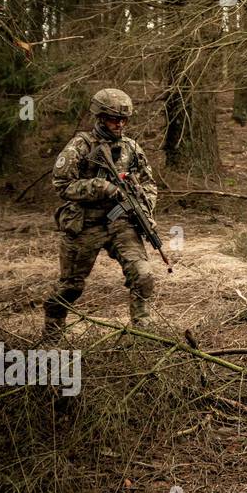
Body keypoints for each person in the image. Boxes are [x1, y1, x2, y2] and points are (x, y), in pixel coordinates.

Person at [42, 88, 158, 343]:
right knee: (71, 286)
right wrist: (99, 187)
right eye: (114, 119)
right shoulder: (81, 146)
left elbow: (149, 184)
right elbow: (62, 185)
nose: (119, 124)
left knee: (144, 275)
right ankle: (52, 331)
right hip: (86, 223)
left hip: (122, 222)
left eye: (124, 120)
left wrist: (144, 206)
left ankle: (144, 332)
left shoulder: (131, 148)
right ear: (100, 117)